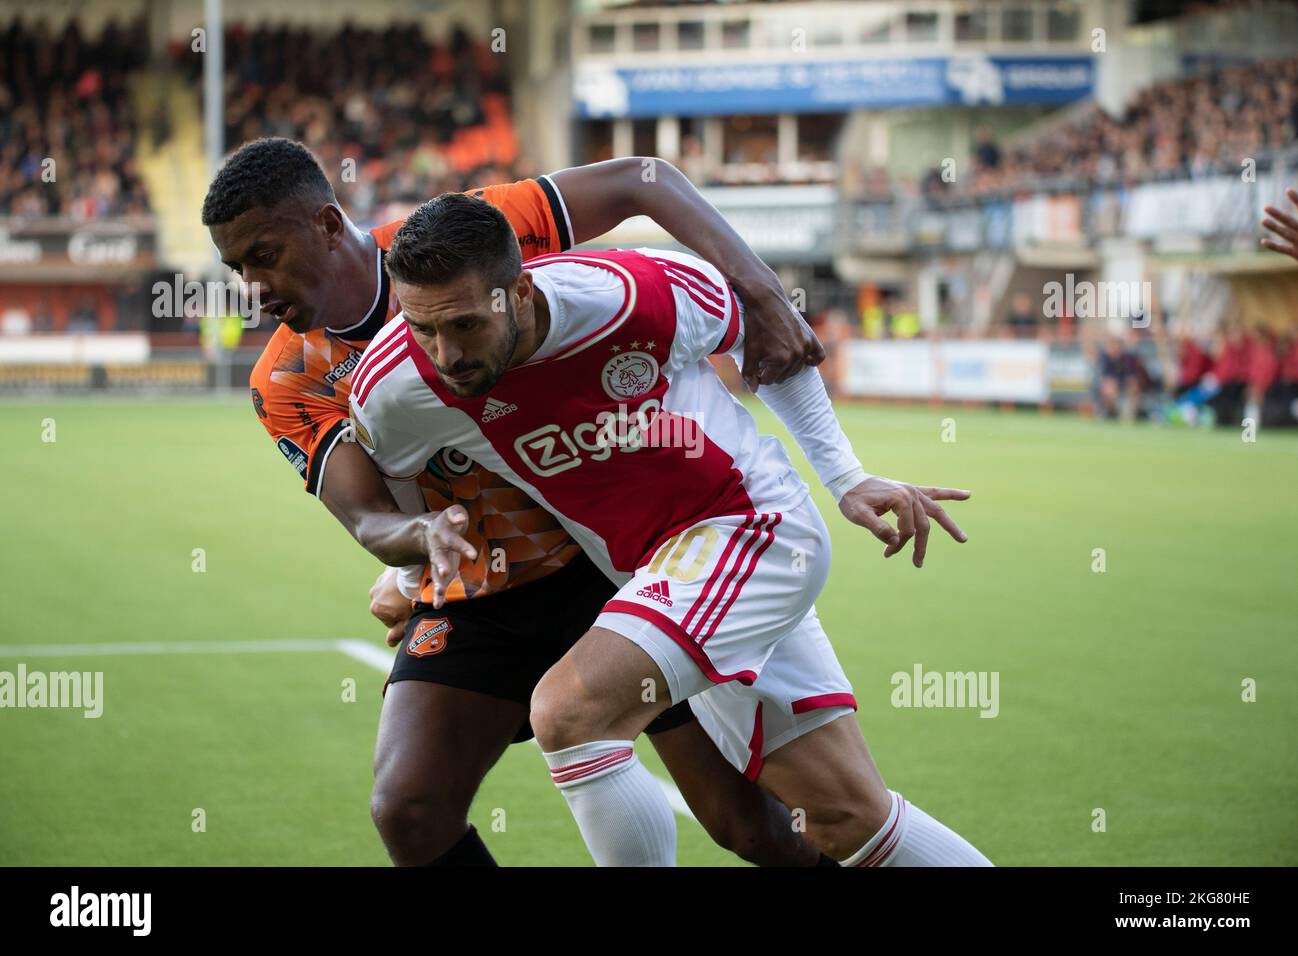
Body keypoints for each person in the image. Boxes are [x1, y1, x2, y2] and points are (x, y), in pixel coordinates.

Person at [203, 137, 830, 867]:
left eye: (264, 254)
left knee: (744, 824)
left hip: (613, 564)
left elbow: (640, 178)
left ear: (328, 225)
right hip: (479, 592)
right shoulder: (287, 377)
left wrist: (758, 289)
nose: (252, 283)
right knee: (408, 807)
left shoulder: (467, 235)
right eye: (236, 267)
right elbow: (365, 513)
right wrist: (416, 541)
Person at [347, 193, 993, 867]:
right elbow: (410, 485)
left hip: (749, 530)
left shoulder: (638, 294)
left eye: (464, 325)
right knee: (846, 817)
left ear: (520, 291)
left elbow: (768, 335)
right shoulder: (395, 385)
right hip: (661, 575)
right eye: (423, 328)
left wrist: (846, 478)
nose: (445, 354)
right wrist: (411, 575)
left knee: (569, 713)